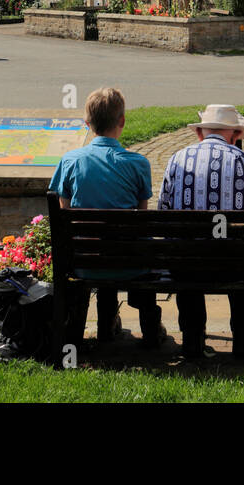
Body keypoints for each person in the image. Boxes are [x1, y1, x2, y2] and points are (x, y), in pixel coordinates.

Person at [48, 87, 165, 349]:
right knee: (127, 245)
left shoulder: (70, 161)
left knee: (100, 247)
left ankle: (103, 327)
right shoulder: (138, 164)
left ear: (87, 124)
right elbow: (141, 218)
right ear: (122, 121)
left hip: (83, 263)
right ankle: (149, 332)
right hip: (131, 263)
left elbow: (64, 213)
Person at [159, 104, 244, 359]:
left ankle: (192, 338)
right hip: (237, 265)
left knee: (185, 252)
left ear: (200, 133)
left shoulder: (177, 159)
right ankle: (242, 338)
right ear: (235, 135)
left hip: (187, 264)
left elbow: (164, 214)